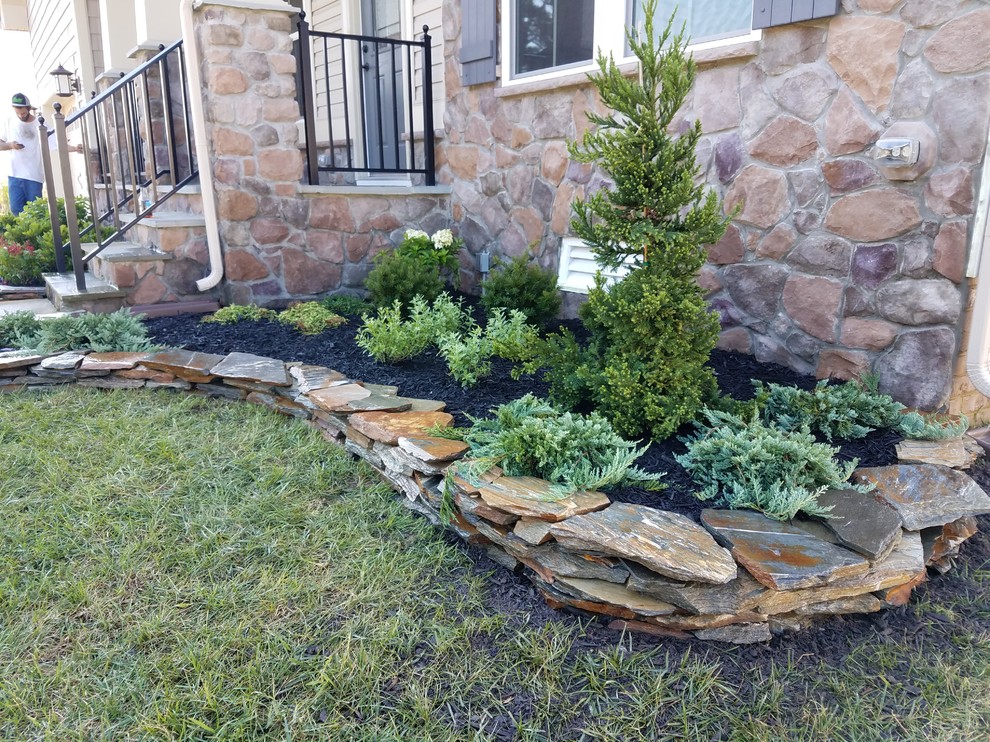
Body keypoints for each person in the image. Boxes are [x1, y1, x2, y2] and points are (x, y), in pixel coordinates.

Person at [0, 93, 46, 215]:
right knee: (16, 211)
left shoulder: (40, 124)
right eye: (18, 113)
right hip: (14, 175)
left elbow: (56, 141)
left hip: (34, 176)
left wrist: (75, 148)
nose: (21, 115)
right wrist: (10, 145)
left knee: (36, 212)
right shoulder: (8, 121)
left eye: (23, 113)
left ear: (29, 109)